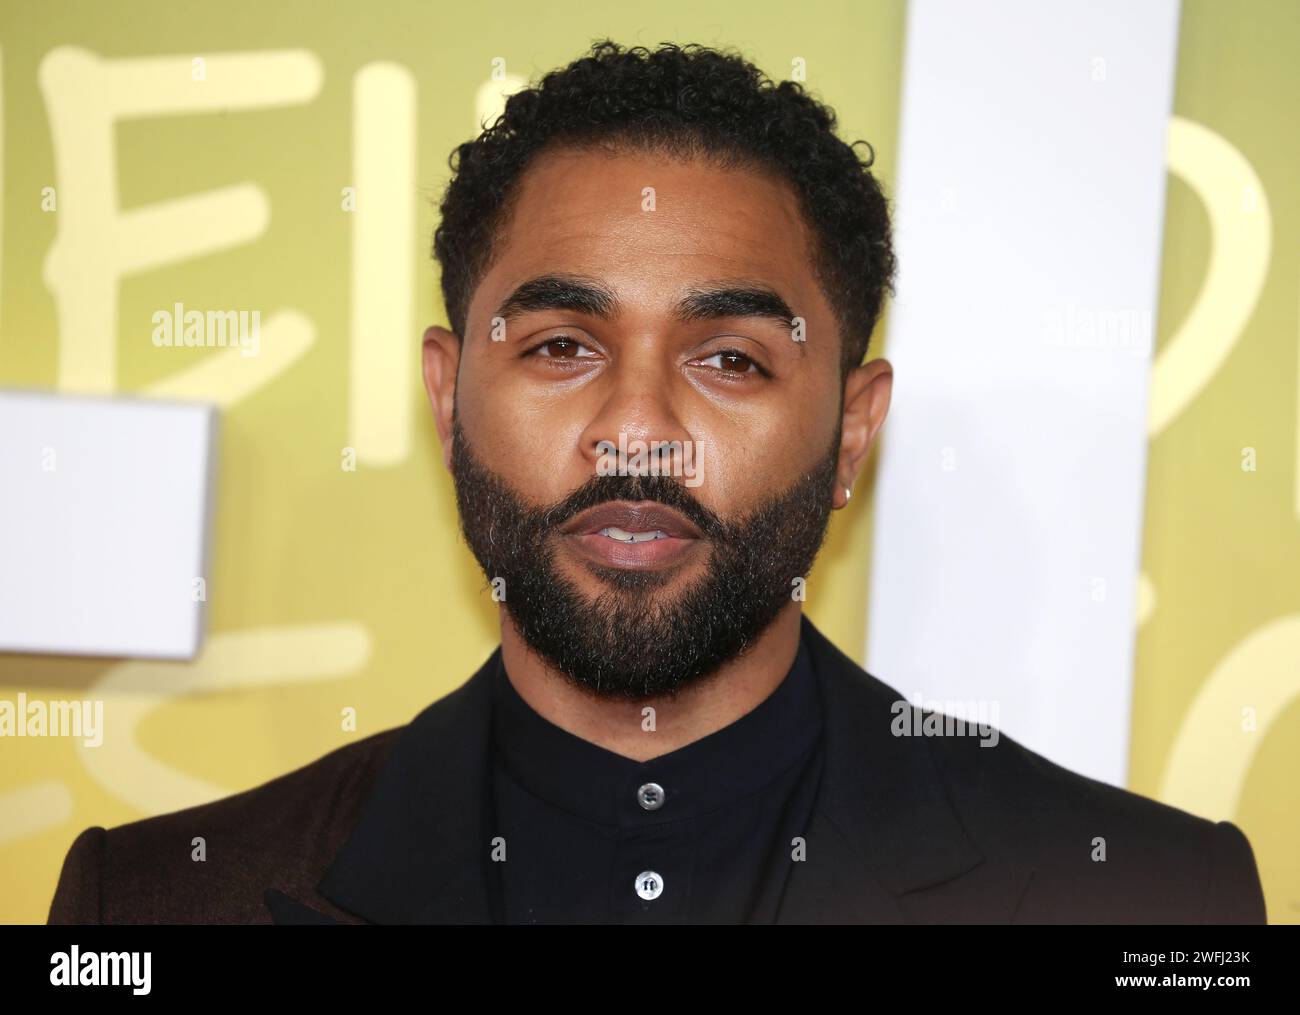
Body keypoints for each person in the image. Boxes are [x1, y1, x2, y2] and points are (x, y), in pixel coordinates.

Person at [48, 39, 1266, 925]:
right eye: (561, 347)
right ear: (445, 396)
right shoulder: (152, 905)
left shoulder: (1149, 900)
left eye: (730, 359)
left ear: (851, 432)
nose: (636, 432)